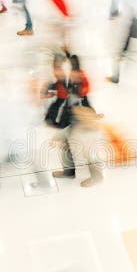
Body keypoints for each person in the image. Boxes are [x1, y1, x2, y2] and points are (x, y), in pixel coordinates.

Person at [52, 56, 103, 187]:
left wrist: (93, 115)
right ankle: (69, 171)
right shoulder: (72, 80)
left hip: (81, 123)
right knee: (65, 144)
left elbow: (84, 101)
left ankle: (97, 176)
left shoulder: (80, 81)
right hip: (73, 121)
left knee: (87, 149)